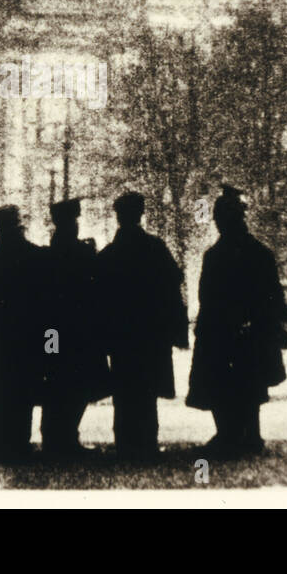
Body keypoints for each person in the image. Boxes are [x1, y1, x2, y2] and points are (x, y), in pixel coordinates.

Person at [185, 185, 287, 457]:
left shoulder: (216, 255)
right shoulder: (259, 252)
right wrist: (284, 319)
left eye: (220, 218)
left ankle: (229, 434)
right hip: (253, 331)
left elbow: (207, 295)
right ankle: (249, 435)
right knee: (250, 383)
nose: (218, 223)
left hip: (222, 331)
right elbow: (273, 293)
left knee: (223, 384)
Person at [98, 191, 187, 460]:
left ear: (118, 216)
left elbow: (96, 293)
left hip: (120, 334)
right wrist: (176, 329)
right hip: (151, 332)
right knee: (147, 389)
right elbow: (174, 283)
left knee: (123, 388)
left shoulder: (110, 254)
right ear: (140, 214)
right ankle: (147, 442)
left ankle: (125, 443)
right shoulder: (155, 248)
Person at [0, 205, 46, 464]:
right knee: (24, 391)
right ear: (20, 226)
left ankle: (1, 448)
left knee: (0, 392)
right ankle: (20, 445)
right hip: (31, 336)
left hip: (2, 337)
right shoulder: (37, 257)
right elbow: (49, 298)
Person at [40, 197, 110, 459]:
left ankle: (54, 437)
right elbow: (94, 284)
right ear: (71, 223)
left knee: (56, 379)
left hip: (53, 332)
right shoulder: (81, 251)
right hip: (77, 330)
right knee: (77, 383)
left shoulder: (49, 251)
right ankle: (67, 437)